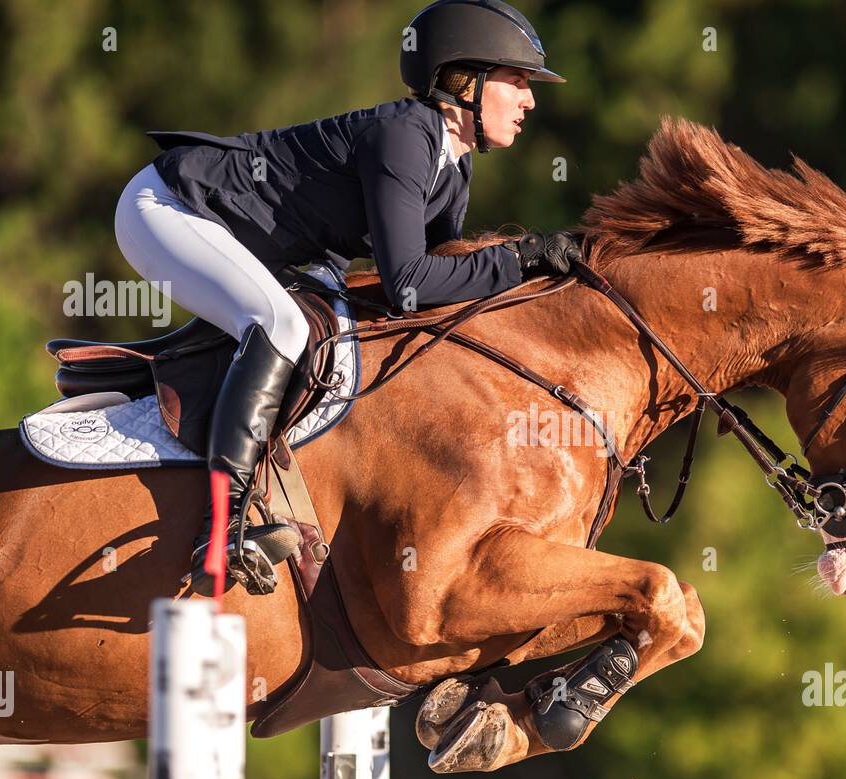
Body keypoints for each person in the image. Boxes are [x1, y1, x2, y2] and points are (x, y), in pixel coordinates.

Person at [113, 0, 581, 595]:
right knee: (280, 325)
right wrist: (520, 258)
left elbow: (437, 291)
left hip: (241, 235)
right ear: (467, 79)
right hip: (170, 206)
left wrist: (536, 279)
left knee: (329, 331)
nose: (530, 100)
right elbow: (408, 283)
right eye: (518, 81)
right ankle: (221, 528)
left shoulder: (452, 168)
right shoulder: (406, 137)